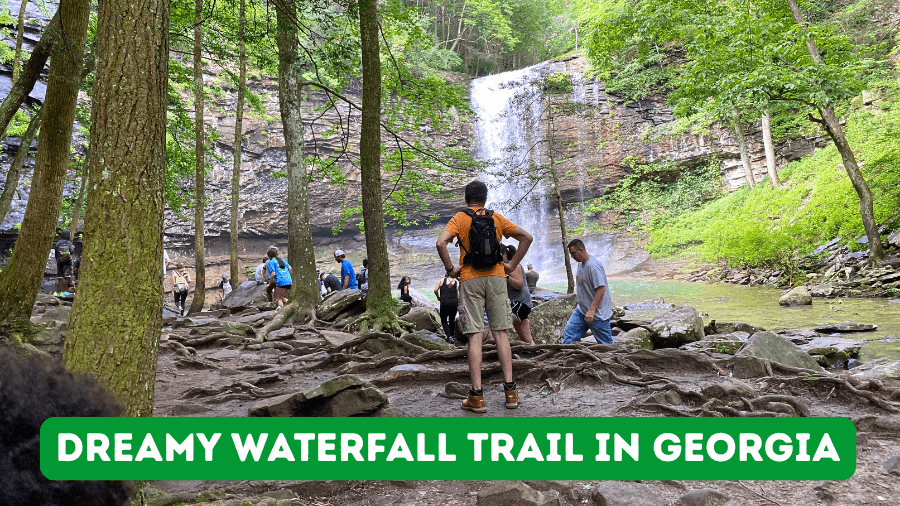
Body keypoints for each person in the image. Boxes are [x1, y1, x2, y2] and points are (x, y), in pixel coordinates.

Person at [436, 180, 533, 413]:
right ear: (486, 198)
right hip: (498, 278)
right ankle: (511, 392)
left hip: (470, 279)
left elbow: (441, 243)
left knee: (475, 336)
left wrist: (451, 269)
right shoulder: (496, 218)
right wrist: (510, 266)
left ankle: (477, 397)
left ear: (466, 198)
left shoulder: (459, 218)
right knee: (501, 332)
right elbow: (527, 237)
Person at [563, 239, 614, 345]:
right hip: (582, 309)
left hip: (597, 313)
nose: (572, 256)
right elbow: (583, 284)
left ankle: (614, 359)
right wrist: (579, 301)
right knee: (570, 333)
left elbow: (601, 289)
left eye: (573, 253)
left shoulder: (593, 266)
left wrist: (592, 310)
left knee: (605, 344)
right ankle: (570, 358)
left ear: (581, 250)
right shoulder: (580, 263)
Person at [502, 245, 534, 345]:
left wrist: (506, 276)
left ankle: (499, 352)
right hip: (518, 303)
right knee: (527, 339)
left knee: (500, 326)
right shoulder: (504, 266)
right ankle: (536, 352)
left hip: (520, 303)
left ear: (505, 255)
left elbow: (519, 285)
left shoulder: (512, 265)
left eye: (501, 255)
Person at [433, 274, 459, 342]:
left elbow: (435, 290)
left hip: (444, 302)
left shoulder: (441, 280)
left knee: (444, 320)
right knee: (452, 320)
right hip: (454, 303)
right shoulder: (456, 282)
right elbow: (458, 295)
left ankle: (449, 336)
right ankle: (452, 336)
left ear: (446, 275)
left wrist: (438, 297)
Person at [53, 230, 75, 297]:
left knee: (59, 276)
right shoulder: (69, 243)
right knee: (66, 276)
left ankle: (57, 292)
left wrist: (57, 260)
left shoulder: (58, 243)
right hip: (67, 262)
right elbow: (71, 251)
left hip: (59, 261)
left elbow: (56, 253)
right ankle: (64, 291)